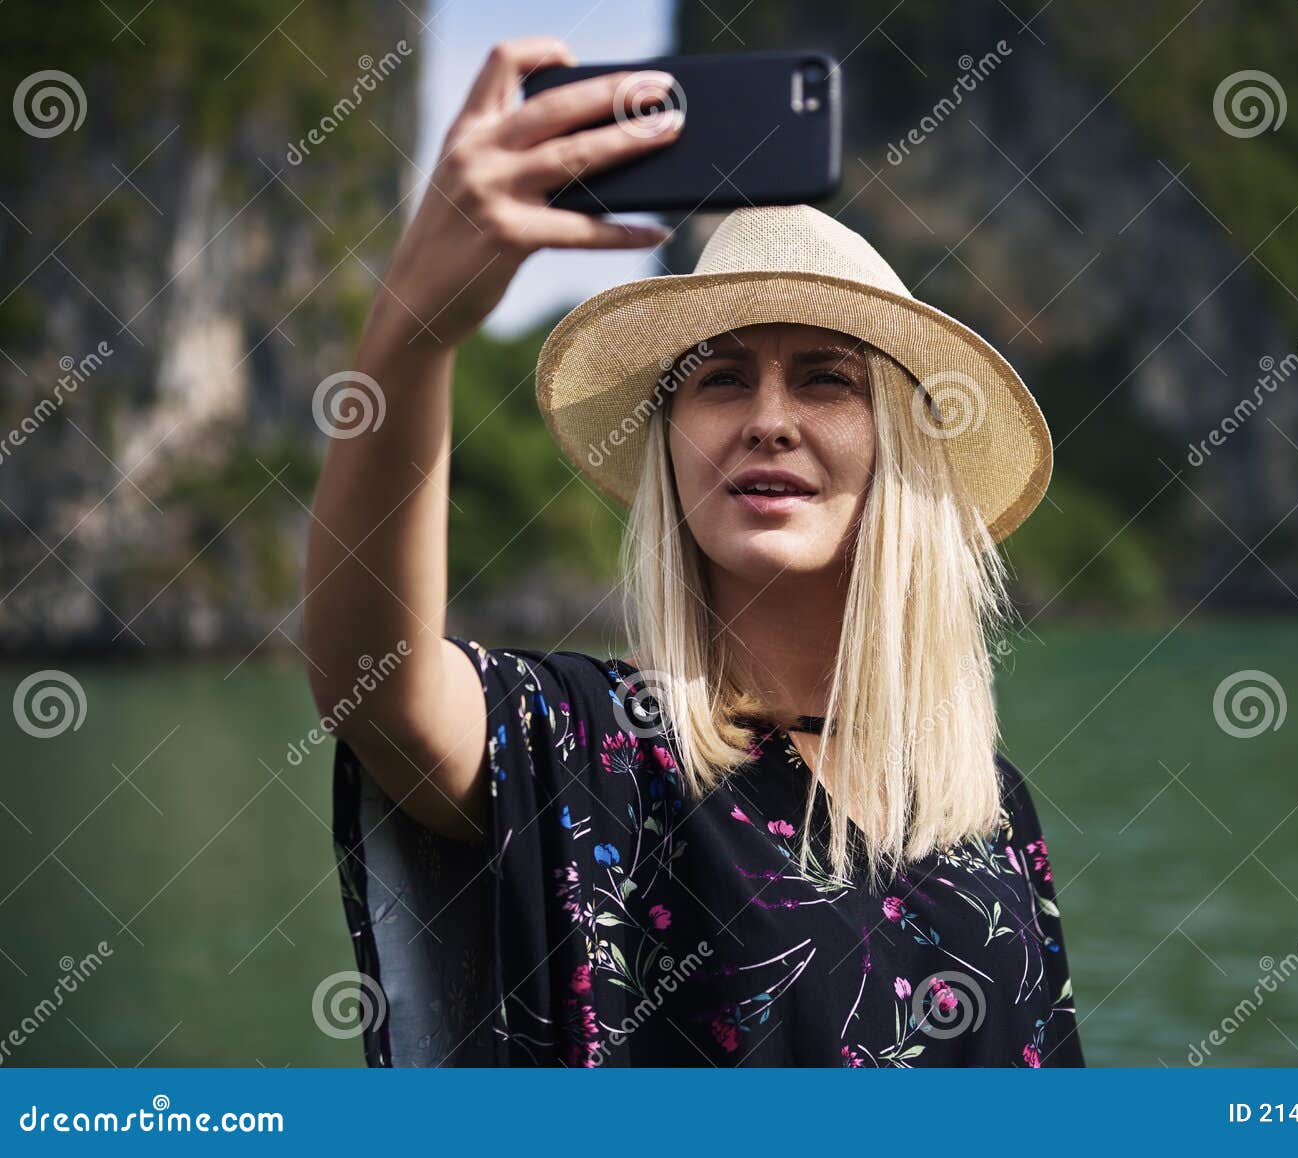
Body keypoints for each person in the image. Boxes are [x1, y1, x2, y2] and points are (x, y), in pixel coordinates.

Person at [303, 36, 1085, 1068]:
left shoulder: (984, 805)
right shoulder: (596, 747)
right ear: (670, 445)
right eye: (719, 380)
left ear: (898, 447)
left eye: (826, 379)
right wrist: (415, 330)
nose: (768, 420)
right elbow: (379, 685)